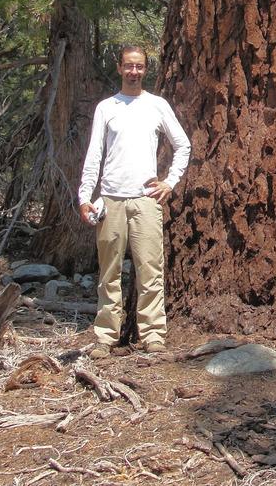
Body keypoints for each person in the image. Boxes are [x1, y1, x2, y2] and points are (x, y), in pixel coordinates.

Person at [78, 46, 191, 357]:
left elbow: (183, 145)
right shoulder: (106, 107)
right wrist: (85, 196)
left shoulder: (157, 106)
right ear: (119, 68)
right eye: (129, 66)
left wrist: (169, 182)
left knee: (150, 269)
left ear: (146, 69)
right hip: (110, 199)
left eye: (139, 67)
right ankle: (105, 337)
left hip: (145, 200)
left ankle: (153, 336)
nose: (134, 72)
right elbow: (94, 154)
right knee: (109, 272)